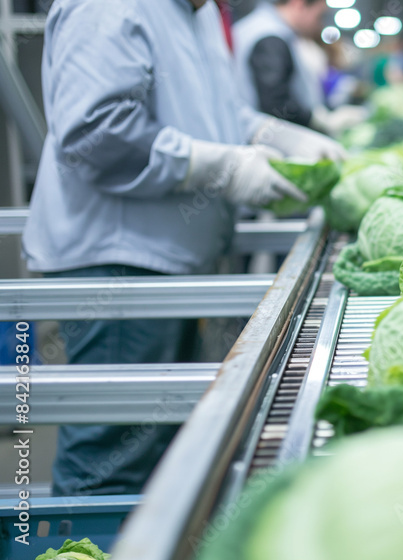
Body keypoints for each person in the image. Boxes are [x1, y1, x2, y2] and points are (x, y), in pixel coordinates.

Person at [21, 0, 345, 496]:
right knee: (112, 464)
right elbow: (98, 135)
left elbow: (214, 113)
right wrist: (224, 168)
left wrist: (274, 135)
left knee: (161, 458)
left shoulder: (197, 14)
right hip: (120, 269)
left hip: (170, 266)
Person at [234, 0, 366, 137]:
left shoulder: (261, 28)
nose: (319, 24)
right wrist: (318, 120)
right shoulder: (270, 36)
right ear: (299, 4)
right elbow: (275, 103)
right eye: (319, 16)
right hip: (257, 139)